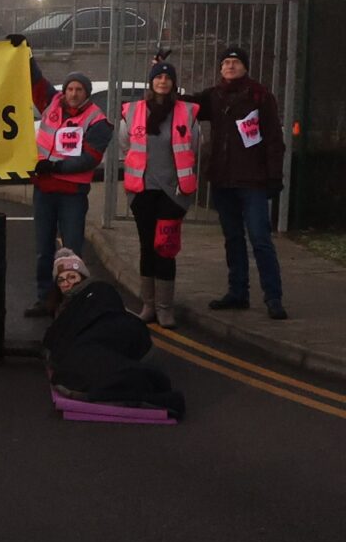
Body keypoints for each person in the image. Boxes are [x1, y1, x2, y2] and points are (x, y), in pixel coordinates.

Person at [185, 45, 288, 320]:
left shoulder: (260, 95)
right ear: (220, 69)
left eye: (235, 62)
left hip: (252, 180)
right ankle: (237, 292)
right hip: (222, 179)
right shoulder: (213, 96)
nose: (230, 66)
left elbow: (274, 141)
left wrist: (274, 177)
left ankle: (273, 296)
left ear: (245, 67)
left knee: (260, 238)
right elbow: (183, 104)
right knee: (233, 239)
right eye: (226, 63)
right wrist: (159, 71)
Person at [16, 40, 114, 318]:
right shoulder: (52, 101)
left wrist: (54, 166)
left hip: (72, 192)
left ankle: (73, 302)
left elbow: (89, 159)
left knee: (72, 253)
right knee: (43, 250)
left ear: (86, 94)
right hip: (44, 191)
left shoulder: (98, 121)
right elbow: (34, 79)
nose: (72, 94)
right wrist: (24, 52)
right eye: (70, 88)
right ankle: (44, 299)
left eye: (78, 90)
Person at [43, 248, 185, 418]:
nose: (67, 283)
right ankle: (135, 380)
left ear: (82, 277)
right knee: (91, 355)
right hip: (98, 336)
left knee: (89, 353)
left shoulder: (96, 288)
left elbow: (109, 307)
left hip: (118, 328)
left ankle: (132, 379)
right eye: (61, 280)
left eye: (72, 277)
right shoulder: (66, 308)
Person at [119, 57, 199, 327]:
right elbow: (124, 145)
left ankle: (165, 308)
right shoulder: (133, 111)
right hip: (142, 191)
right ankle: (148, 306)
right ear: (151, 82)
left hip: (172, 192)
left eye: (167, 78)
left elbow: (194, 147)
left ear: (174, 83)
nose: (163, 81)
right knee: (146, 247)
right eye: (158, 77)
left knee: (165, 248)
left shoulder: (186, 113)